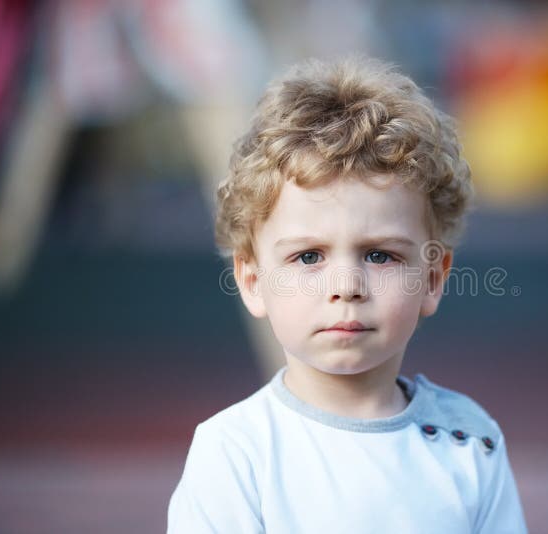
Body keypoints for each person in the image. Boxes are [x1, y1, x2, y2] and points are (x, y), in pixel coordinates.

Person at [167, 56, 528, 533]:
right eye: (308, 257)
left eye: (379, 255)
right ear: (253, 281)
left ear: (432, 279)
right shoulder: (235, 454)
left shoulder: (469, 442)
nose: (346, 287)